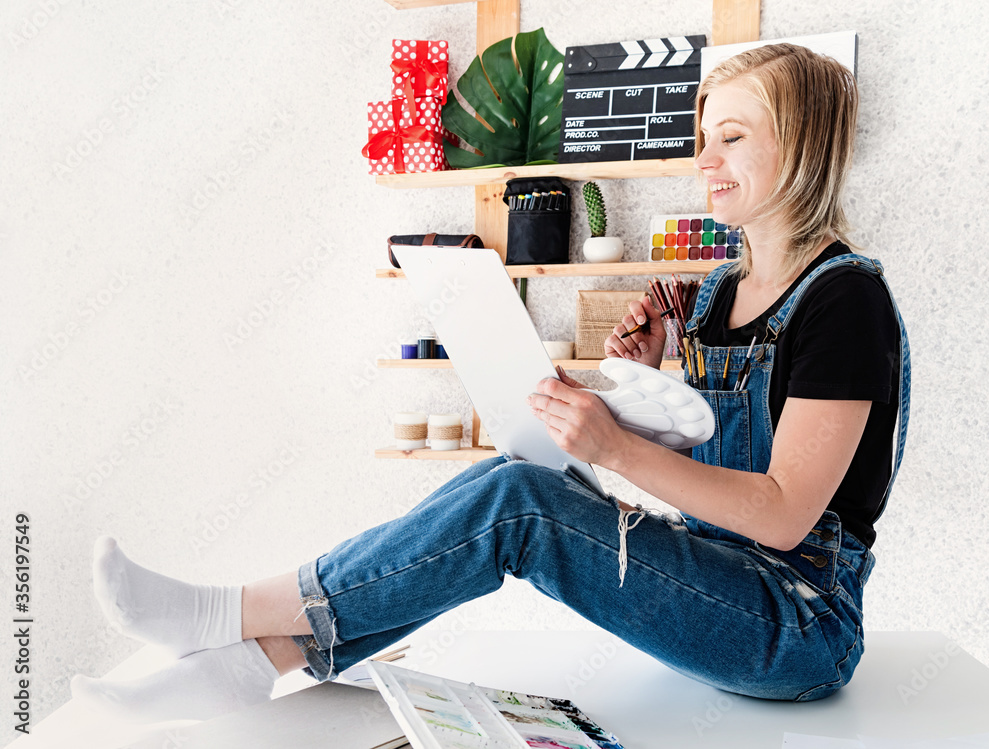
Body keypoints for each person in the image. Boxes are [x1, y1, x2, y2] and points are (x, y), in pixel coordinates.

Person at [71, 43, 909, 723]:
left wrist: (613, 444)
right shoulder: (725, 288)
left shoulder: (845, 299)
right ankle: (262, 658)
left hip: (793, 623)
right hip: (715, 574)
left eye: (732, 136)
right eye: (703, 136)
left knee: (521, 509)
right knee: (517, 480)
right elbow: (707, 453)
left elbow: (782, 508)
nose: (704, 159)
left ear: (800, 146)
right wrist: (640, 384)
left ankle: (229, 615)